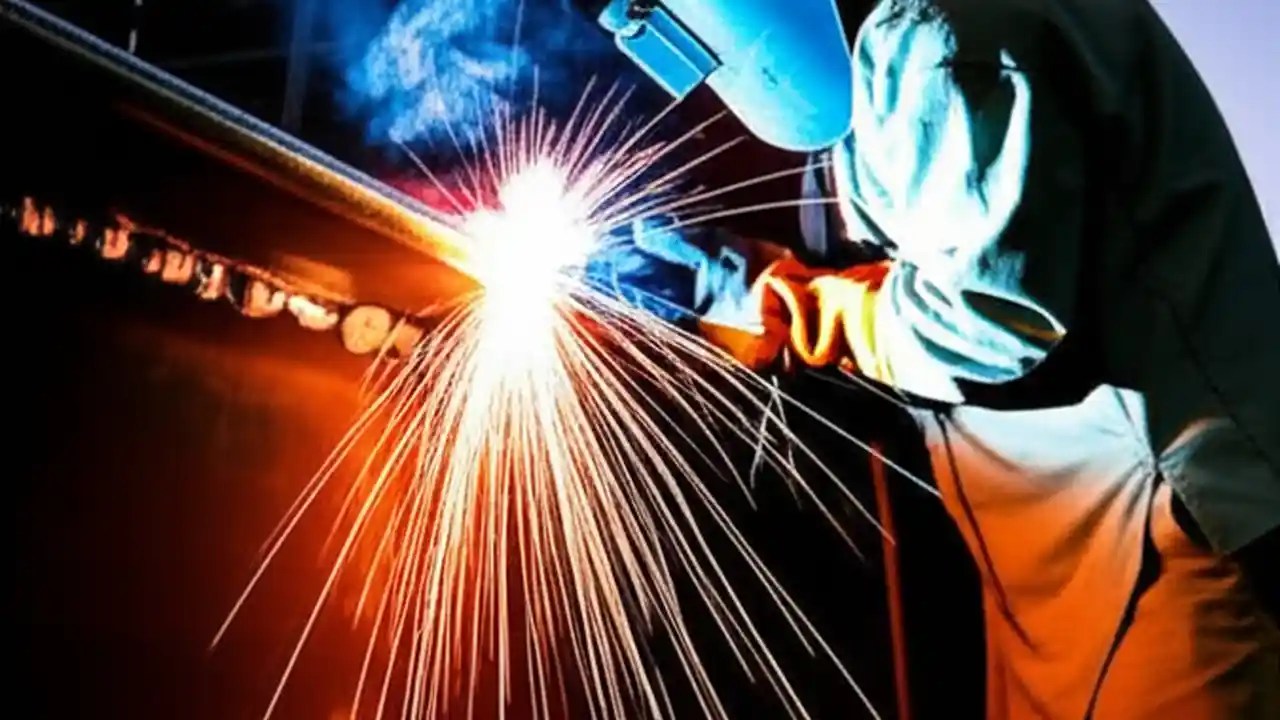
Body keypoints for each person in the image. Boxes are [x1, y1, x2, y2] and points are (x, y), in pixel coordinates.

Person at [576, 0, 1280, 717]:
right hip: (1059, 553)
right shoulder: (874, 36)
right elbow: (916, 261)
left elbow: (991, 324)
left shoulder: (945, 30)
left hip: (1165, 539)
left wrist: (799, 310)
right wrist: (719, 281)